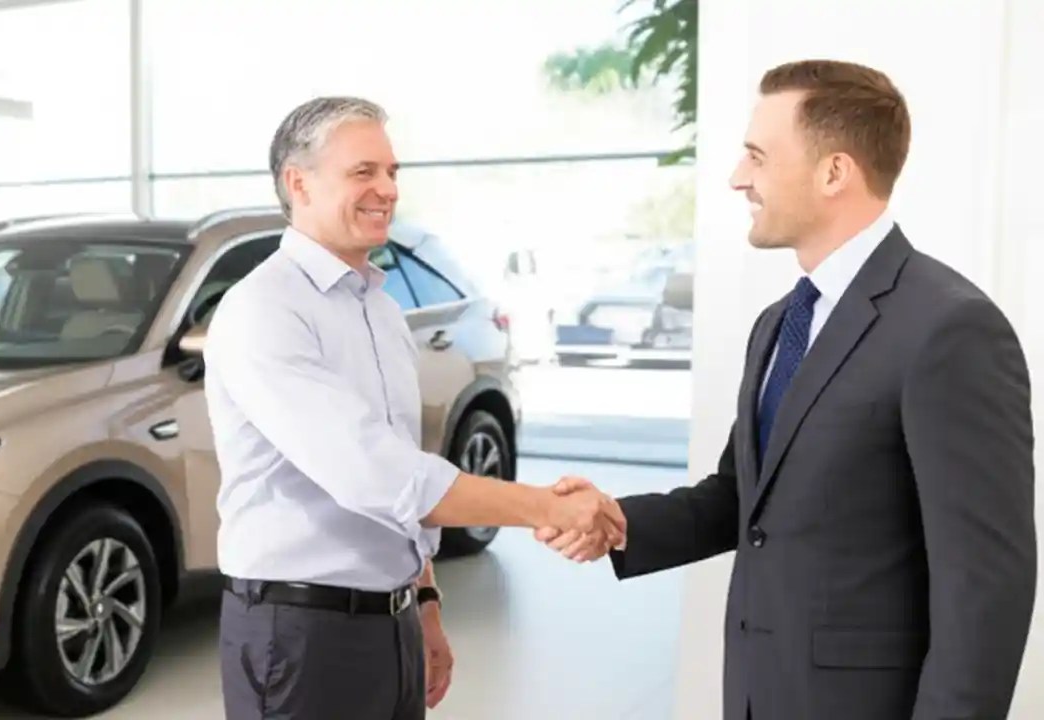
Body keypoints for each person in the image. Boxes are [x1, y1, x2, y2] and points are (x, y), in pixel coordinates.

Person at [541, 59, 1036, 720]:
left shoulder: (949, 328)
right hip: (757, 693)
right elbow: (745, 498)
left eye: (757, 156)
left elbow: (986, 584)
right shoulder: (779, 322)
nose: (737, 177)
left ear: (835, 171)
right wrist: (621, 522)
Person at [204, 96, 625, 720]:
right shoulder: (264, 309)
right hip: (299, 635)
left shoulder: (378, 307)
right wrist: (546, 506)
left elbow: (405, 467)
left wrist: (424, 602)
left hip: (390, 620)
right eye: (363, 172)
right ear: (299, 183)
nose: (387, 190)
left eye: (392, 172)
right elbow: (373, 473)